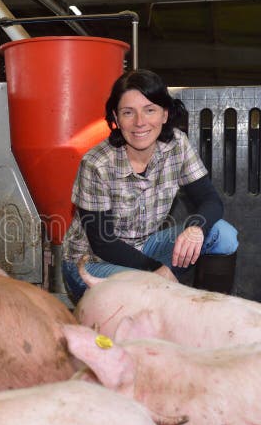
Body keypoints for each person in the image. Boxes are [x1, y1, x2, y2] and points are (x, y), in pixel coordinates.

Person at [61, 69, 239, 302]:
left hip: (145, 248)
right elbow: (103, 243)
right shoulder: (97, 164)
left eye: (150, 110)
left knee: (222, 235)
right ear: (115, 118)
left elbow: (209, 199)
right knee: (152, 291)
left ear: (164, 114)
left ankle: (208, 312)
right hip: (92, 263)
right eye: (128, 113)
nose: (139, 123)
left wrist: (196, 228)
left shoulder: (177, 145)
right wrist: (156, 270)